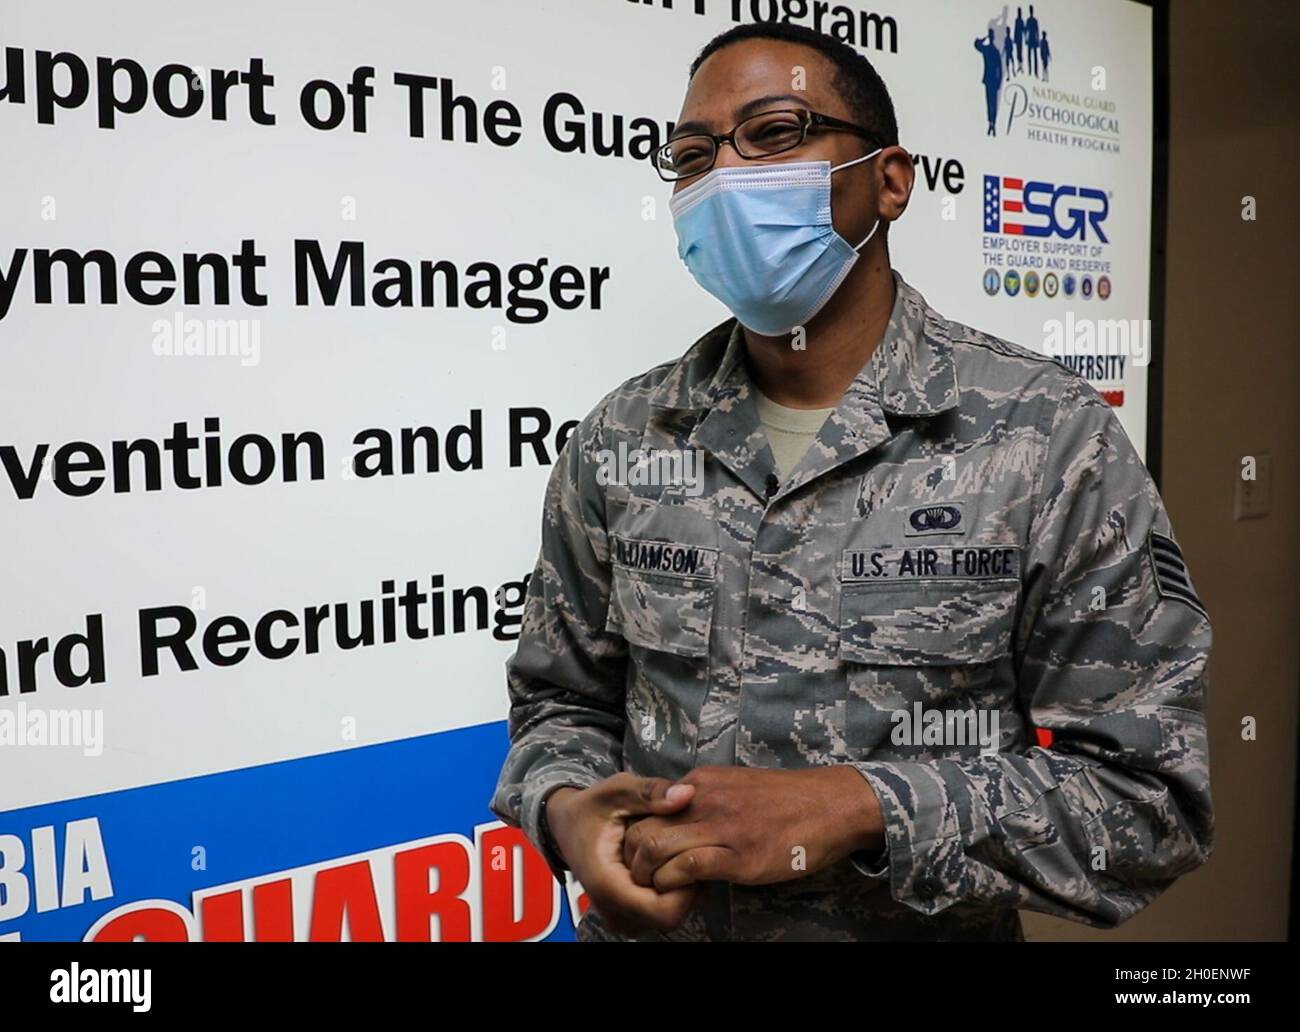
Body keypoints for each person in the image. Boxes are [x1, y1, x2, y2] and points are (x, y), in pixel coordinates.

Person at [489, 21, 1214, 942]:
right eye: (692, 154)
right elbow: (561, 704)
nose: (724, 176)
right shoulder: (625, 438)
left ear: (890, 179)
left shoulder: (1045, 436)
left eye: (776, 132)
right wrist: (567, 811)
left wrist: (859, 807)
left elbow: (1148, 801)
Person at [975, 29, 1003, 136]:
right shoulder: (992, 50)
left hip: (991, 80)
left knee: (991, 102)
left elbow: (999, 68)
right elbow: (976, 45)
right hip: (991, 80)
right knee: (991, 102)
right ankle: (991, 123)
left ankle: (992, 123)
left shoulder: (990, 50)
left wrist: (983, 40)